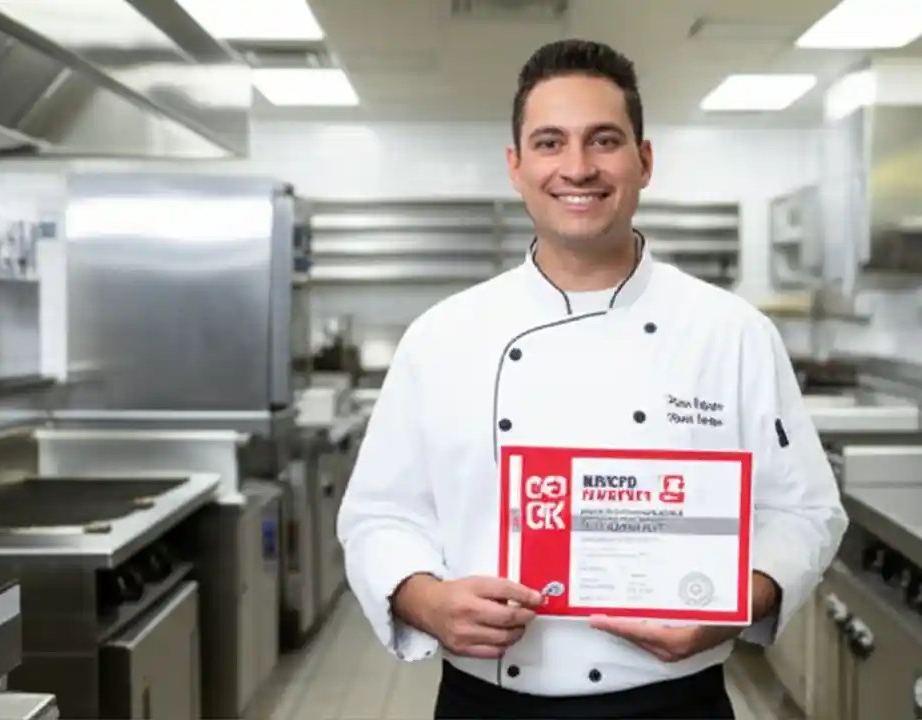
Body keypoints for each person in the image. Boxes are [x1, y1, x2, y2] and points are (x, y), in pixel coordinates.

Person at [336, 38, 848, 719]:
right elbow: (379, 516)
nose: (577, 168)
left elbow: (805, 512)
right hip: (487, 701)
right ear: (516, 167)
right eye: (550, 143)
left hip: (676, 703)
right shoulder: (441, 337)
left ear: (644, 160)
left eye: (603, 140)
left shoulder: (731, 332)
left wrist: (734, 604)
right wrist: (425, 599)